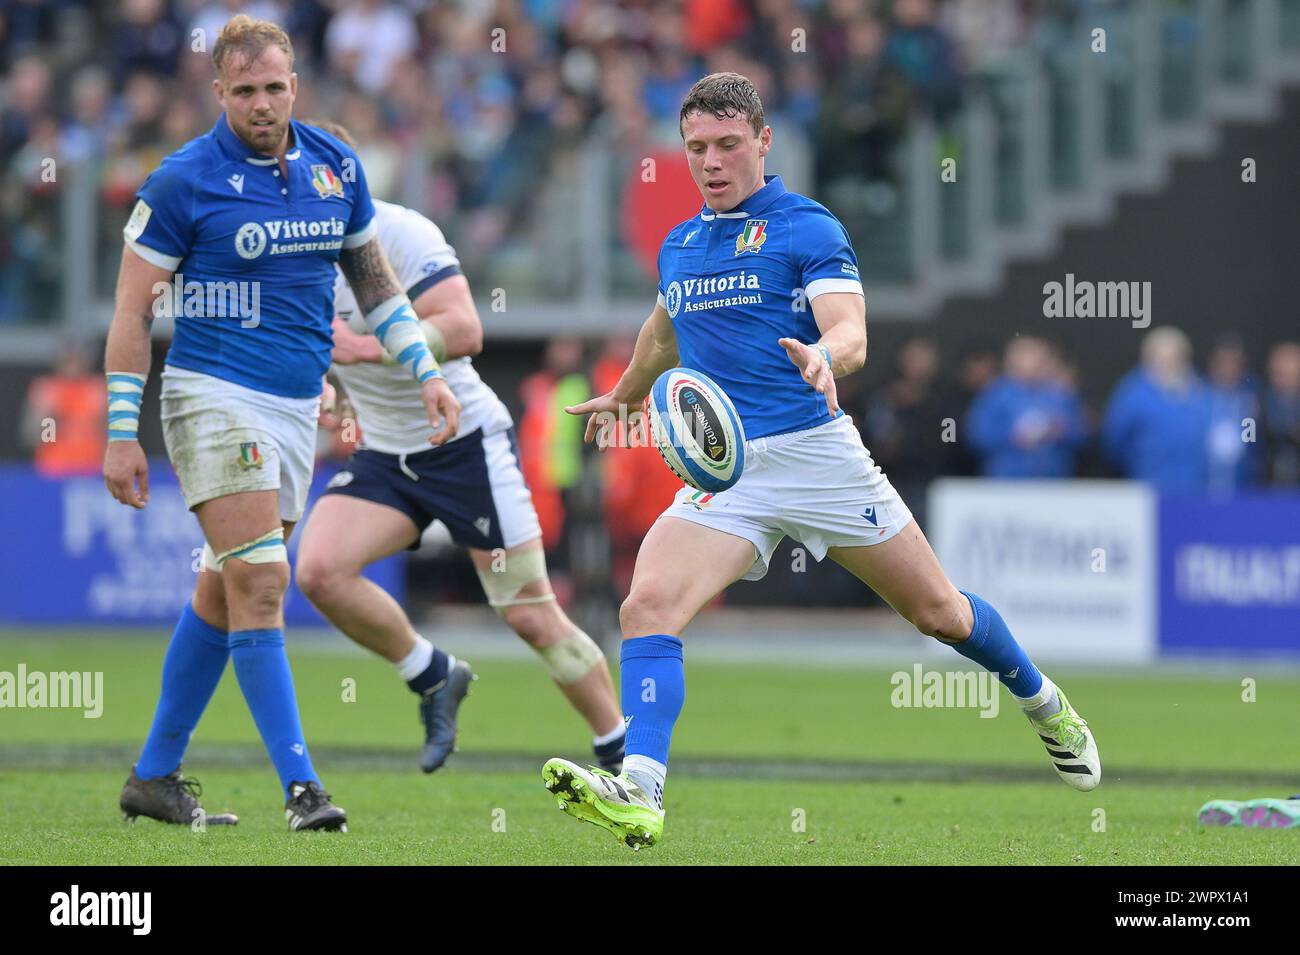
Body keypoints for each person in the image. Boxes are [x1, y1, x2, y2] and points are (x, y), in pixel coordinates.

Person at [540, 72, 1100, 850]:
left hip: (815, 454)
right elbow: (663, 332)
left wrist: (826, 356)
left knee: (939, 613)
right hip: (727, 472)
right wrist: (629, 395)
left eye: (728, 145)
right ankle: (640, 787)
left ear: (763, 143)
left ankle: (1042, 700)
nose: (711, 161)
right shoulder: (682, 242)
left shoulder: (806, 227)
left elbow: (853, 331)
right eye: (697, 147)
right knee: (648, 605)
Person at [101, 16, 459, 832]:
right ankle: (303, 791)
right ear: (218, 92)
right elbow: (130, 311)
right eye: (246, 91)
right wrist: (122, 429)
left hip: (298, 407)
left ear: (295, 86)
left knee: (226, 590)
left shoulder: (337, 167)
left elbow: (377, 292)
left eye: (275, 87)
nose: (263, 104)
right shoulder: (182, 180)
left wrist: (425, 373)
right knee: (264, 581)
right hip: (211, 393)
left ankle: (153, 775)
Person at [295, 121, 625, 776]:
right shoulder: (292, 255)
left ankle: (623, 752)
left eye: (320, 181)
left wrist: (371, 346)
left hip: (463, 442)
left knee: (531, 616)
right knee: (318, 569)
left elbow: (465, 328)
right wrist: (324, 396)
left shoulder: (401, 233)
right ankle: (434, 672)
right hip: (387, 454)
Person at [1101, 327, 1211, 491]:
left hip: (1196, 489)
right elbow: (1115, 441)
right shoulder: (1132, 393)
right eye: (1162, 359)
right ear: (1148, 359)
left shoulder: (1201, 391)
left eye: (1175, 359)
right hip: (1148, 488)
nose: (1169, 366)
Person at [966, 336, 1088, 478]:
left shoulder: (1060, 394)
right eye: (1027, 356)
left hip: (1053, 482)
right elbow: (977, 436)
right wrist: (1014, 436)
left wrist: (1060, 431)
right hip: (1006, 482)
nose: (1033, 362)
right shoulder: (995, 395)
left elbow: (1082, 435)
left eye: (1038, 356)